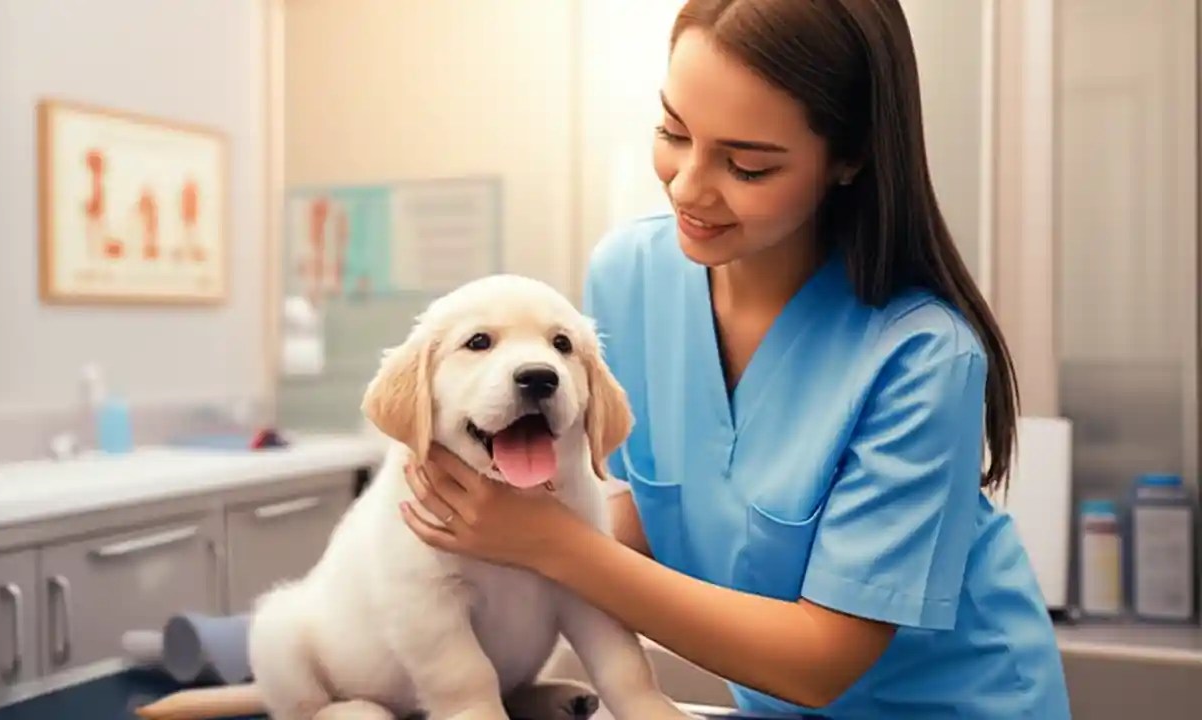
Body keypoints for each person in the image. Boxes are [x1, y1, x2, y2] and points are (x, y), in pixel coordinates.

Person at [398, 0, 1072, 717]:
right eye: (673, 132)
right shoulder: (630, 277)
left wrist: (551, 544)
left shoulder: (921, 357)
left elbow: (821, 663)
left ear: (849, 158)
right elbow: (644, 509)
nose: (687, 185)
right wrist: (478, 544)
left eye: (746, 165)